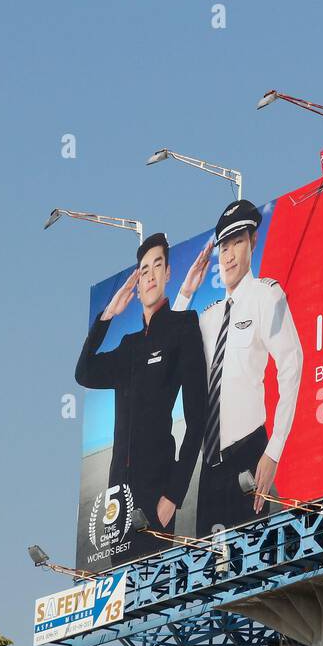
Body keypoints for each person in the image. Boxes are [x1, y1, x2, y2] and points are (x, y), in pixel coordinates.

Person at [178, 199, 303, 534]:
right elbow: (170, 347)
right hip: (210, 466)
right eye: (224, 248)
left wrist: (273, 452)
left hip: (249, 454)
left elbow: (291, 365)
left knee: (257, 558)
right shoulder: (209, 317)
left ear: (253, 242)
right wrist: (186, 292)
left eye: (237, 243)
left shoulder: (266, 296)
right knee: (207, 563)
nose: (229, 256)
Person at [75, 232, 207, 542]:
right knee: (120, 573)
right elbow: (84, 373)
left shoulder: (184, 327)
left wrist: (173, 495)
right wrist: (107, 316)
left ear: (168, 273)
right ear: (136, 285)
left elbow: (198, 417)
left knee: (156, 570)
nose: (149, 276)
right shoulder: (128, 347)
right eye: (143, 270)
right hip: (117, 494)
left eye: (157, 266)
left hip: (156, 490)